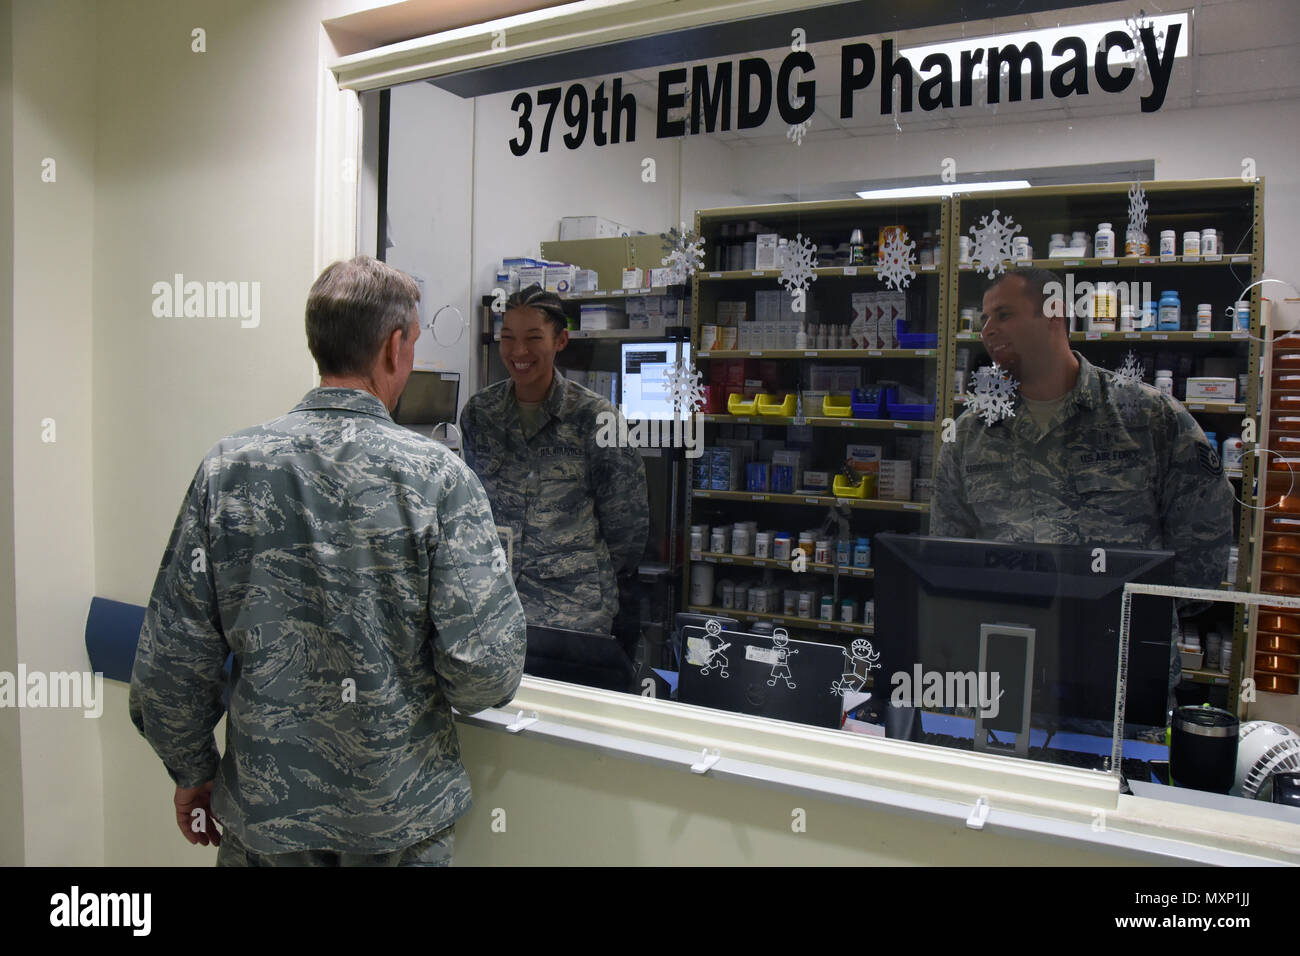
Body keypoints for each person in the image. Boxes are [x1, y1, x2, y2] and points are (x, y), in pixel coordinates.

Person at [129, 255, 526, 866]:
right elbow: (485, 672)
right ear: (394, 347)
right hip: (397, 819)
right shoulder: (438, 480)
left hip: (264, 822)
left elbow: (170, 667)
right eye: (414, 343)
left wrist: (192, 769)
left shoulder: (228, 470)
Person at [925, 267, 1234, 729]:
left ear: (1054, 313)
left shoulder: (1149, 419)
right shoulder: (969, 433)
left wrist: (1131, 616)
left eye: (1004, 314)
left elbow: (1200, 565)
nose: (987, 330)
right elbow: (947, 558)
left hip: (1118, 690)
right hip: (1002, 683)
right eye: (985, 318)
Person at [460, 284, 649, 636]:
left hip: (573, 612)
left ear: (560, 340)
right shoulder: (480, 414)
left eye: (534, 338)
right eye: (507, 337)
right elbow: (472, 510)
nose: (519, 351)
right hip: (495, 605)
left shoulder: (595, 418)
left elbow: (628, 529)